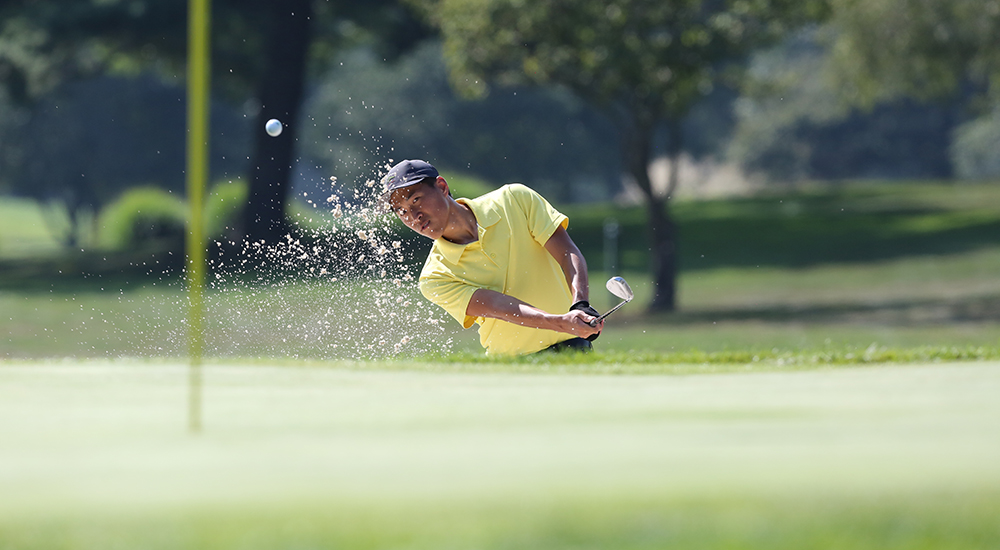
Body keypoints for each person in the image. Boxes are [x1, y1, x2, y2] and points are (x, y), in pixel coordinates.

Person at [382, 159, 603, 355]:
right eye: (400, 211)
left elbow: (567, 252)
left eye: (416, 199)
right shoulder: (434, 277)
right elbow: (499, 306)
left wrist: (580, 304)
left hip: (576, 351)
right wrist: (561, 323)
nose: (412, 216)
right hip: (512, 367)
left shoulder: (514, 199)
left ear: (441, 187)